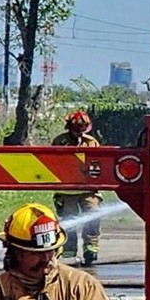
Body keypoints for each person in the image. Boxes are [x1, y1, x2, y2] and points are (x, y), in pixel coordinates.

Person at [50, 109, 104, 266]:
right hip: (67, 192)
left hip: (88, 190)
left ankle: (91, 249)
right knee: (69, 221)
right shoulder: (59, 142)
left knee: (93, 216)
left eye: (83, 129)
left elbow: (98, 165)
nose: (80, 133)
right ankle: (69, 252)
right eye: (77, 130)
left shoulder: (91, 142)